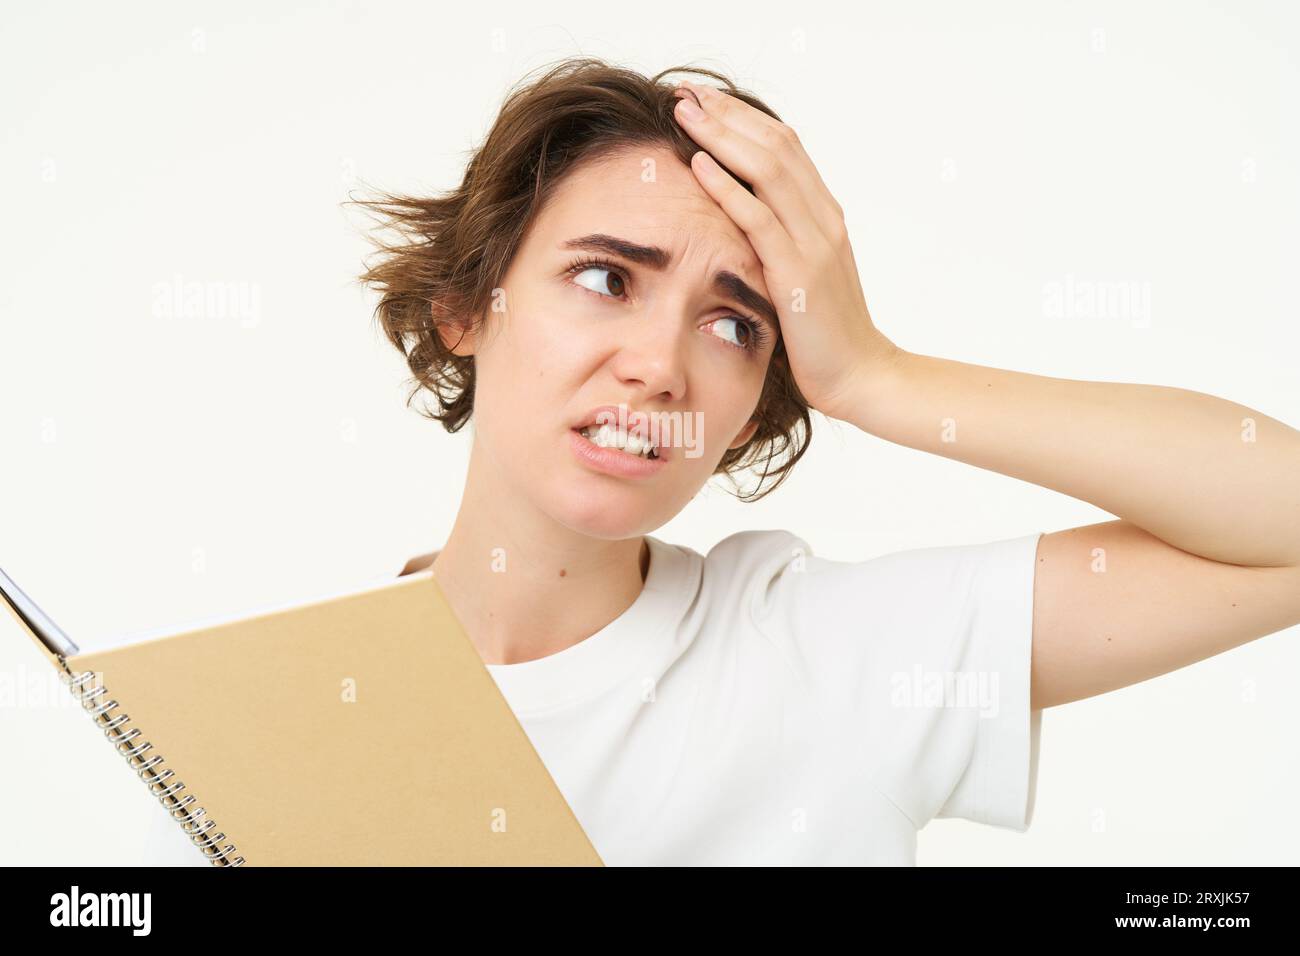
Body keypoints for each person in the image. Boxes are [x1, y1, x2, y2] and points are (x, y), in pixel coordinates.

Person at [147, 56, 1300, 866]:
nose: (658, 364)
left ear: (750, 411)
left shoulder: (829, 655)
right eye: (606, 276)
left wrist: (875, 377)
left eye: (734, 322)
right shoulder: (273, 712)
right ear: (463, 303)